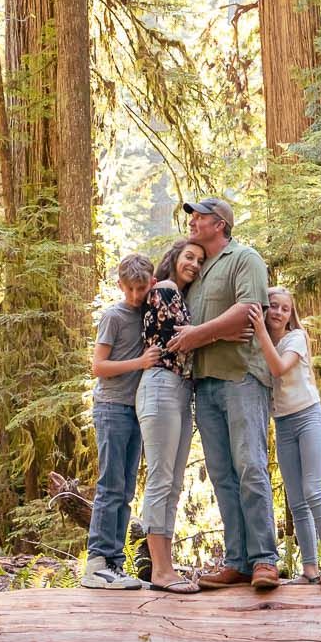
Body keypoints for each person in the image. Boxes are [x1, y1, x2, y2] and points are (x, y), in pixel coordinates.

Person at [166, 197, 279, 592]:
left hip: (241, 377)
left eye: (199, 216)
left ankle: (265, 559)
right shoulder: (196, 269)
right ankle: (238, 562)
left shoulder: (244, 258)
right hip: (205, 382)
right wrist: (208, 333)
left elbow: (249, 311)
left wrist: (198, 335)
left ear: (220, 223)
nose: (193, 221)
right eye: (192, 216)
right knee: (222, 475)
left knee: (250, 465)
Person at [248, 288, 321, 587]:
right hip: (284, 425)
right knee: (296, 501)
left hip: (309, 418)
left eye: (284, 309)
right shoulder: (261, 343)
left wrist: (260, 330)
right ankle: (310, 569)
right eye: (272, 306)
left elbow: (278, 367)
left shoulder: (295, 338)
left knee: (314, 491)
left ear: (291, 315)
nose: (277, 312)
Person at [82, 253, 158, 590]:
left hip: (135, 411)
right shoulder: (113, 315)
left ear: (151, 283)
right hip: (111, 407)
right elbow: (98, 367)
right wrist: (139, 362)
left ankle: (114, 563)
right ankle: (97, 562)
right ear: (120, 286)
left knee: (126, 490)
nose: (135, 296)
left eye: (141, 288)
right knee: (110, 487)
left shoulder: (149, 314)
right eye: (129, 289)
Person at [136, 238, 205, 594]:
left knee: (174, 482)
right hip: (161, 384)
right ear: (174, 258)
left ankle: (166, 566)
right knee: (162, 478)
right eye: (188, 257)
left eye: (199, 260)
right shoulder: (164, 289)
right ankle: (159, 570)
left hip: (180, 388)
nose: (193, 263)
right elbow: (180, 340)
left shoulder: (181, 296)